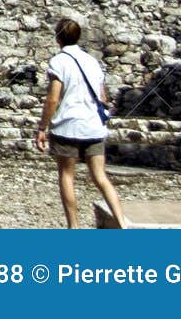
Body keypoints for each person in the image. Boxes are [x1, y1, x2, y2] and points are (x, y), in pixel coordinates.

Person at [35, 18, 126, 228]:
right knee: (100, 177)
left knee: (67, 176)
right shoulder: (92, 62)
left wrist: (42, 127)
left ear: (58, 38)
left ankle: (74, 227)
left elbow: (53, 99)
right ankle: (121, 223)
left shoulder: (59, 62)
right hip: (93, 125)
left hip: (68, 126)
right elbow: (102, 97)